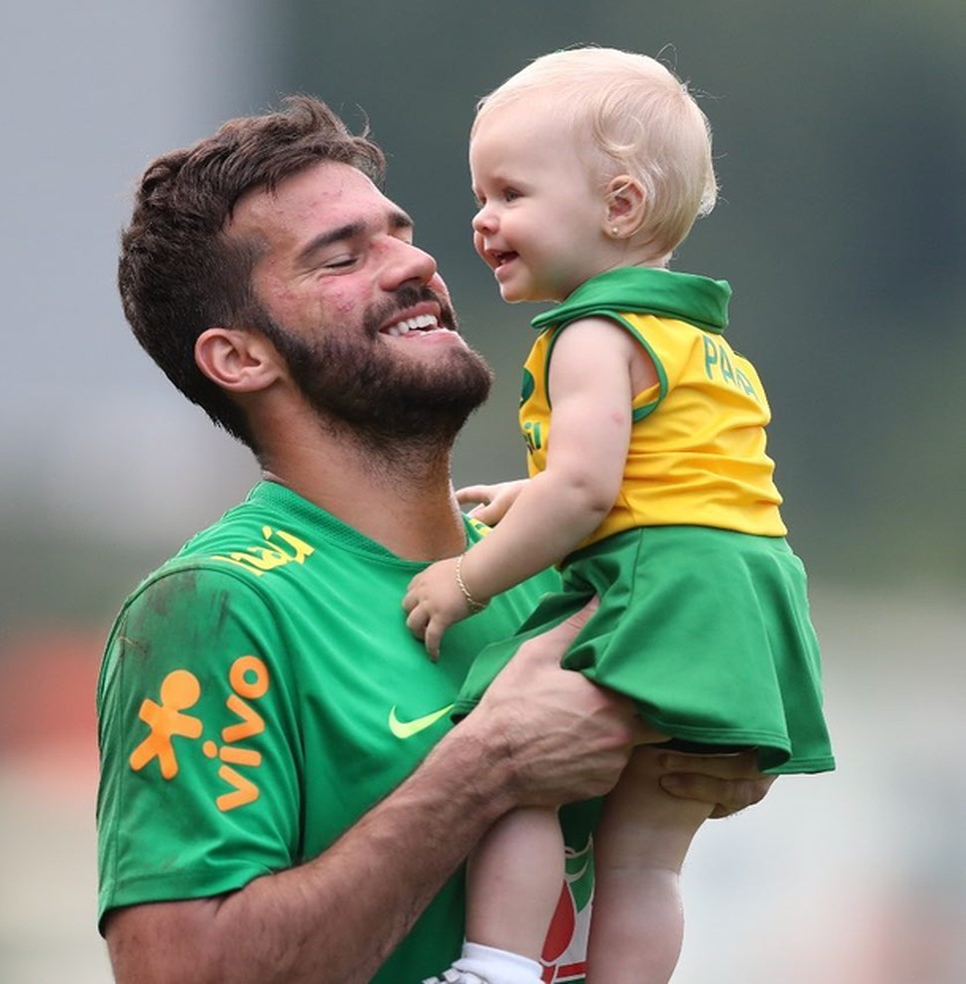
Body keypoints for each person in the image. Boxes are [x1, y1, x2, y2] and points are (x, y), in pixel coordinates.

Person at [96, 93, 776, 984]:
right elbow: (181, 973)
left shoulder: (567, 563)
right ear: (241, 358)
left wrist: (716, 748)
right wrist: (485, 766)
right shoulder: (214, 608)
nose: (414, 262)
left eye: (400, 233)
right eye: (342, 256)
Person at [403, 48, 835, 984]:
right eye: (481, 194)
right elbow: (674, 476)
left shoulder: (589, 332)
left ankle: (497, 969)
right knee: (643, 857)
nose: (483, 218)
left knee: (519, 769)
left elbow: (587, 492)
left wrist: (468, 577)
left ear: (622, 206)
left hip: (663, 584)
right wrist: (538, 488)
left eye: (510, 192)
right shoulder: (701, 342)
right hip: (746, 594)